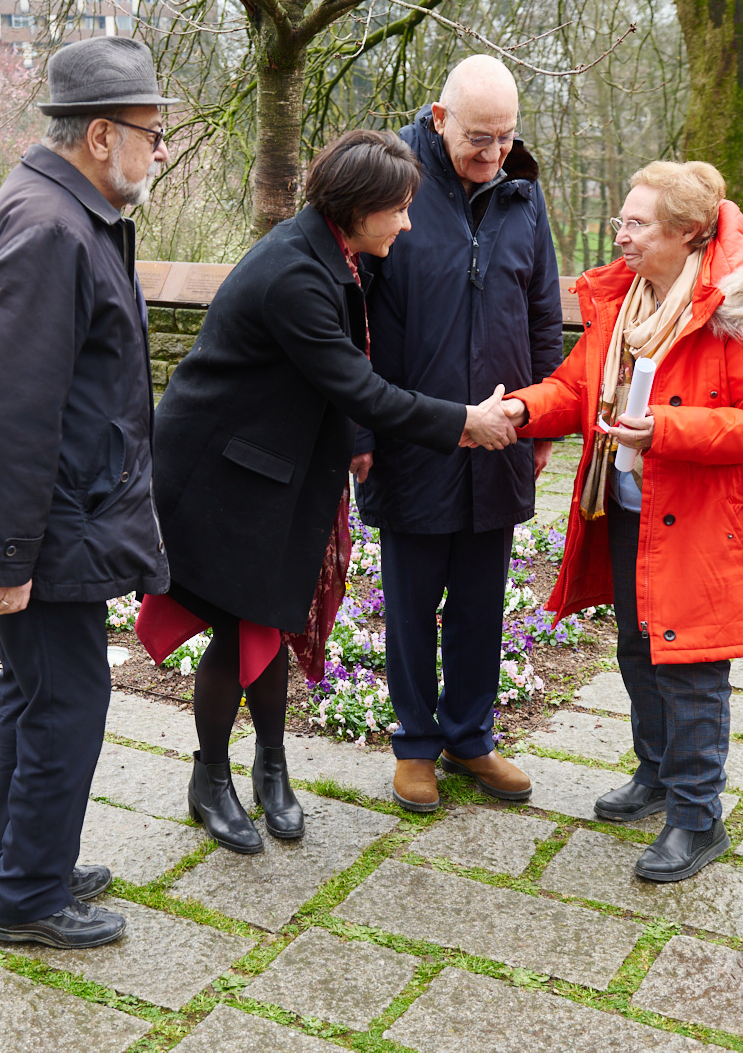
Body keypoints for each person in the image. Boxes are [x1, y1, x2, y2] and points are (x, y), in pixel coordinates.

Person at [141, 130, 521, 854]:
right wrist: (465, 422)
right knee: (240, 627)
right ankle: (210, 778)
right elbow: (359, 387)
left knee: (268, 622)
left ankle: (271, 768)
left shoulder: (330, 252)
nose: (407, 223)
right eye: (398, 209)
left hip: (271, 467)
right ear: (357, 207)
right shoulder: (297, 274)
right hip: (223, 475)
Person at [0, 37, 175, 948]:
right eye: (151, 133)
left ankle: (31, 860)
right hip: (51, 520)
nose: (160, 151)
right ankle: (28, 895)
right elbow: (10, 413)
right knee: (65, 701)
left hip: (62, 510)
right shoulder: (51, 228)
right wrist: (12, 558)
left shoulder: (65, 211)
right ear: (101, 136)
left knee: (37, 696)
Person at [504, 161, 743, 882]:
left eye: (637, 224)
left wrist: (665, 431)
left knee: (690, 667)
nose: (621, 236)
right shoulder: (627, 303)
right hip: (631, 511)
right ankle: (659, 773)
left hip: (708, 524)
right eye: (622, 221)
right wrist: (517, 410)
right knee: (638, 650)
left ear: (688, 232)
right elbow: (575, 387)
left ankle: (698, 819)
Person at [356, 55, 565, 813]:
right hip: (412, 433)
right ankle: (415, 743)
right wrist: (357, 427)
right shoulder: (392, 183)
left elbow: (543, 309)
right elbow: (350, 314)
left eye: (506, 137)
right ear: (440, 119)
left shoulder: (523, 194)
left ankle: (471, 737)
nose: (495, 153)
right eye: (480, 137)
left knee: (482, 599)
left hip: (502, 437)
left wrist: (546, 414)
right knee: (412, 603)